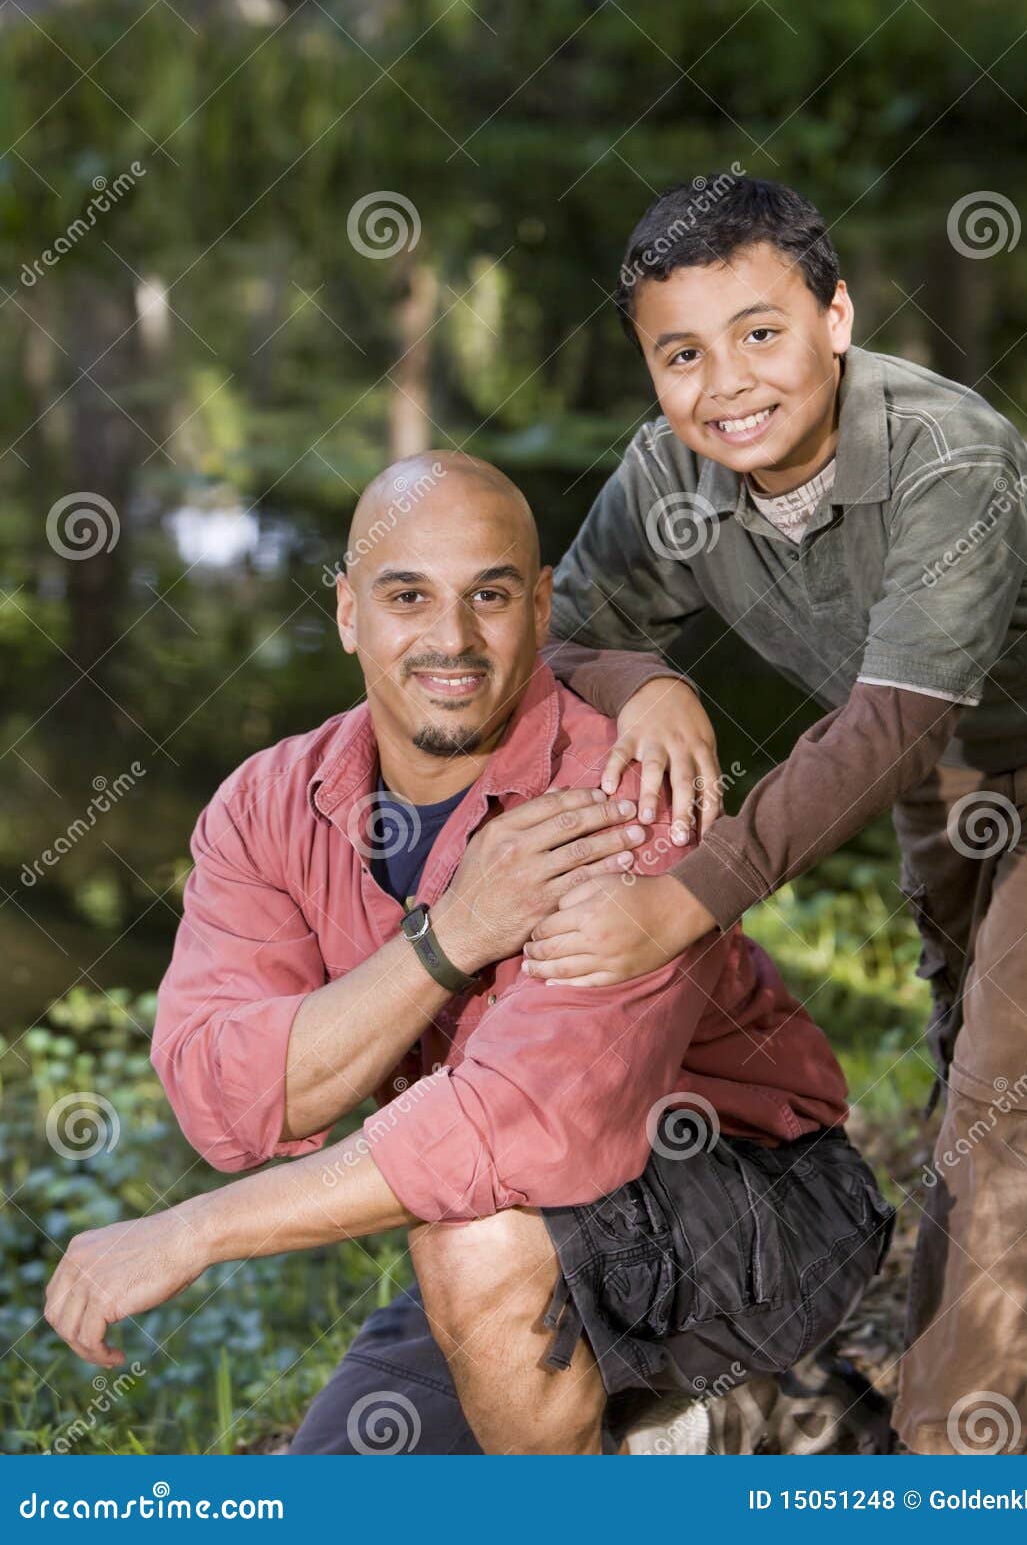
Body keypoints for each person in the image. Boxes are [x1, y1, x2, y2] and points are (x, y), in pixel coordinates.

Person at [43, 454, 893, 1456]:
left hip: (753, 1195)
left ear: (540, 607)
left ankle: (744, 1410)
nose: (450, 638)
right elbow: (227, 1097)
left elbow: (519, 1121)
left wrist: (192, 1230)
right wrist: (447, 939)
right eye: (407, 596)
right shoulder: (268, 805)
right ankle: (681, 1420)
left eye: (488, 596)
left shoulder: (625, 791)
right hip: (514, 1220)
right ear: (349, 612)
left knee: (475, 1247)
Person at [532, 173, 1027, 1455]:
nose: (724, 383)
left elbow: (889, 726)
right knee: (979, 1049)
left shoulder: (946, 459)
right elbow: (564, 635)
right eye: (680, 353)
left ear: (834, 317)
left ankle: (955, 1474)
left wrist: (680, 900)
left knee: (1004, 1099)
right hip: (953, 786)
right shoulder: (668, 473)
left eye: (759, 332)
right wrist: (648, 682)